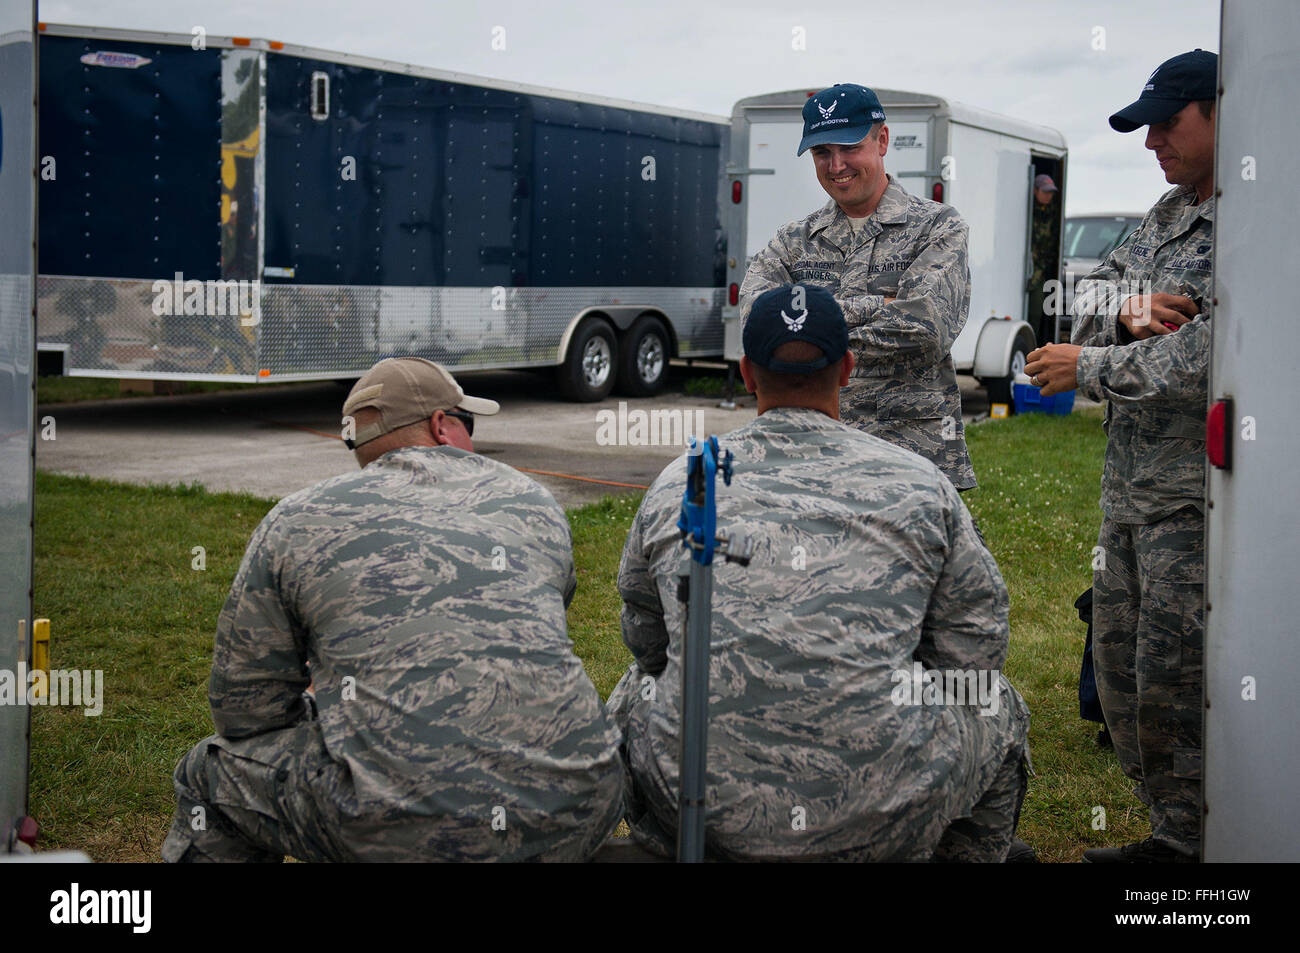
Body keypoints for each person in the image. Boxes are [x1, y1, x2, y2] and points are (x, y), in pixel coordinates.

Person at [606, 283, 1030, 861]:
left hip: (706, 809)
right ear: (849, 369)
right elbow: (977, 648)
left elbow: (646, 638)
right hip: (880, 813)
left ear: (747, 372)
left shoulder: (683, 480)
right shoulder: (921, 484)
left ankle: (661, 844)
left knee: (635, 689)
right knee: (994, 701)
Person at [162, 357, 624, 862]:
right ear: (441, 426)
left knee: (208, 771)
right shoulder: (533, 500)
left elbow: (244, 712)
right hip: (582, 806)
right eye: (466, 420)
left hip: (395, 831)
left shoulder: (295, 520)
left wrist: (339, 713)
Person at [1024, 50, 1217, 863]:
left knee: (1177, 678)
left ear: (1220, 112)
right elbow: (1081, 298)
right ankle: (1168, 831)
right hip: (1126, 498)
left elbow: (1206, 357)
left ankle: (1200, 844)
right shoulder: (1164, 216)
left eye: (1168, 125)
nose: (1153, 145)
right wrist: (1129, 308)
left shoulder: (1257, 224)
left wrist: (1090, 366)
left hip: (1191, 502)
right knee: (1120, 671)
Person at [738, 84, 975, 491]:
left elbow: (926, 330)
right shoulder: (794, 240)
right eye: (821, 152)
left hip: (910, 460)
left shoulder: (938, 228)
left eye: (848, 147)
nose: (836, 165)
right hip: (814, 457)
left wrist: (807, 320)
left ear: (882, 140)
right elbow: (756, 323)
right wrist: (880, 305)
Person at [1028, 173, 1062, 346]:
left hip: (1042, 273)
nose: (1049, 195)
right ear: (1035, 191)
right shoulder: (1027, 211)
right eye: (1045, 191)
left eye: (1051, 192)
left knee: (1039, 313)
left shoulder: (1053, 213)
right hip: (1030, 271)